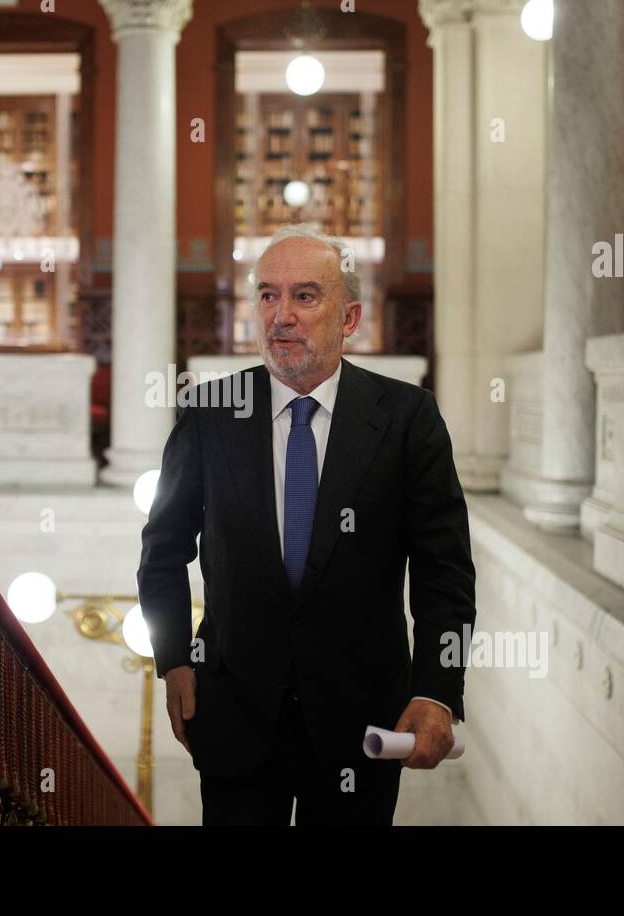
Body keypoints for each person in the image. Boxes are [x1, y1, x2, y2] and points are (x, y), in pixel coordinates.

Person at [137, 224, 476, 825]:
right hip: (235, 717)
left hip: (362, 720)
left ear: (349, 318)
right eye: (268, 296)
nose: (281, 316)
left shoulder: (406, 418)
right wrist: (174, 658)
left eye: (304, 296)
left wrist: (437, 690)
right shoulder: (208, 414)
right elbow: (162, 550)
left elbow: (442, 569)